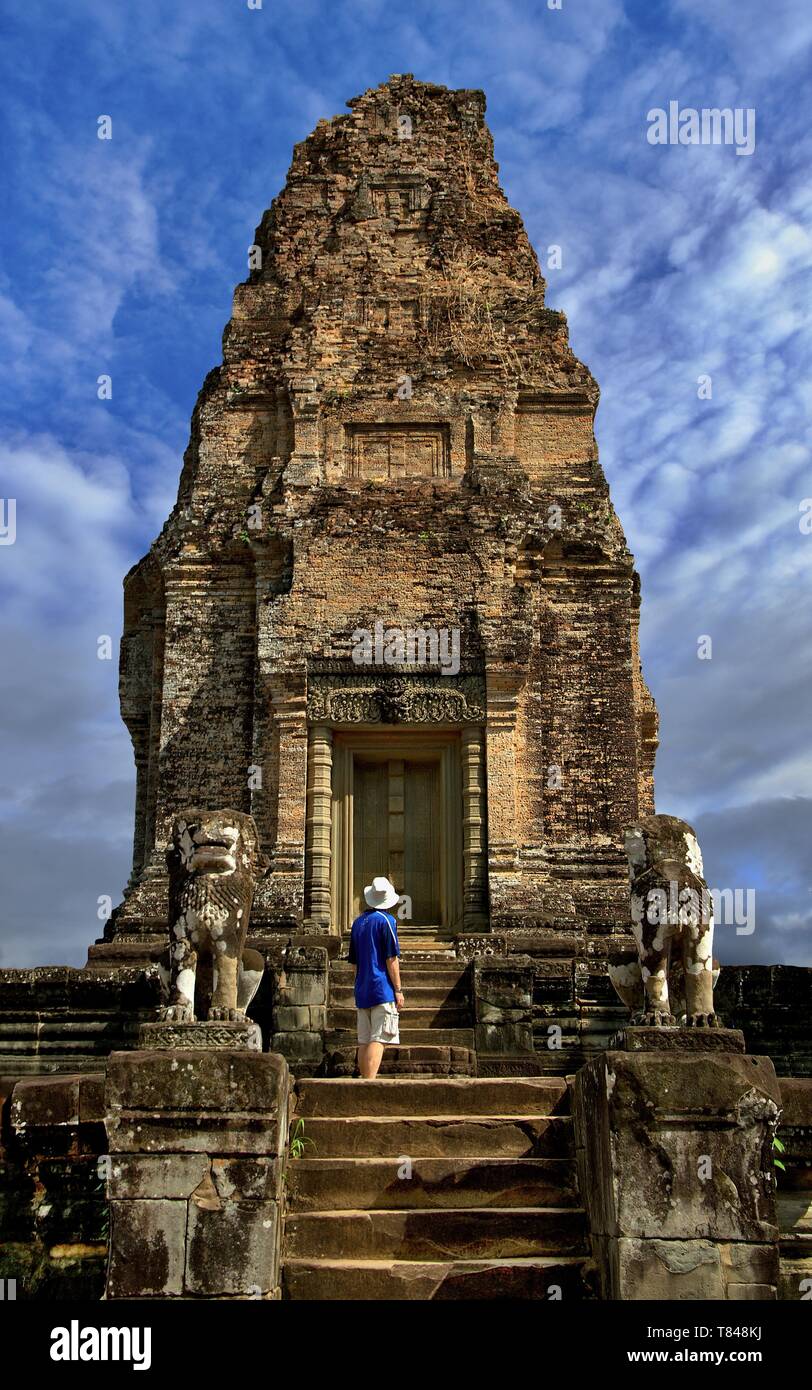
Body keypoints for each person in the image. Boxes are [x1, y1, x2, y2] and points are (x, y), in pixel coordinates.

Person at [348, 875, 404, 1079]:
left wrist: (358, 985)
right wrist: (398, 989)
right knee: (380, 1038)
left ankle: (364, 1081)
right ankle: (369, 1083)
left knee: (364, 1040)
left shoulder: (358, 923)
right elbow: (392, 959)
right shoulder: (386, 921)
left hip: (362, 988)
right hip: (382, 989)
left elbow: (354, 962)